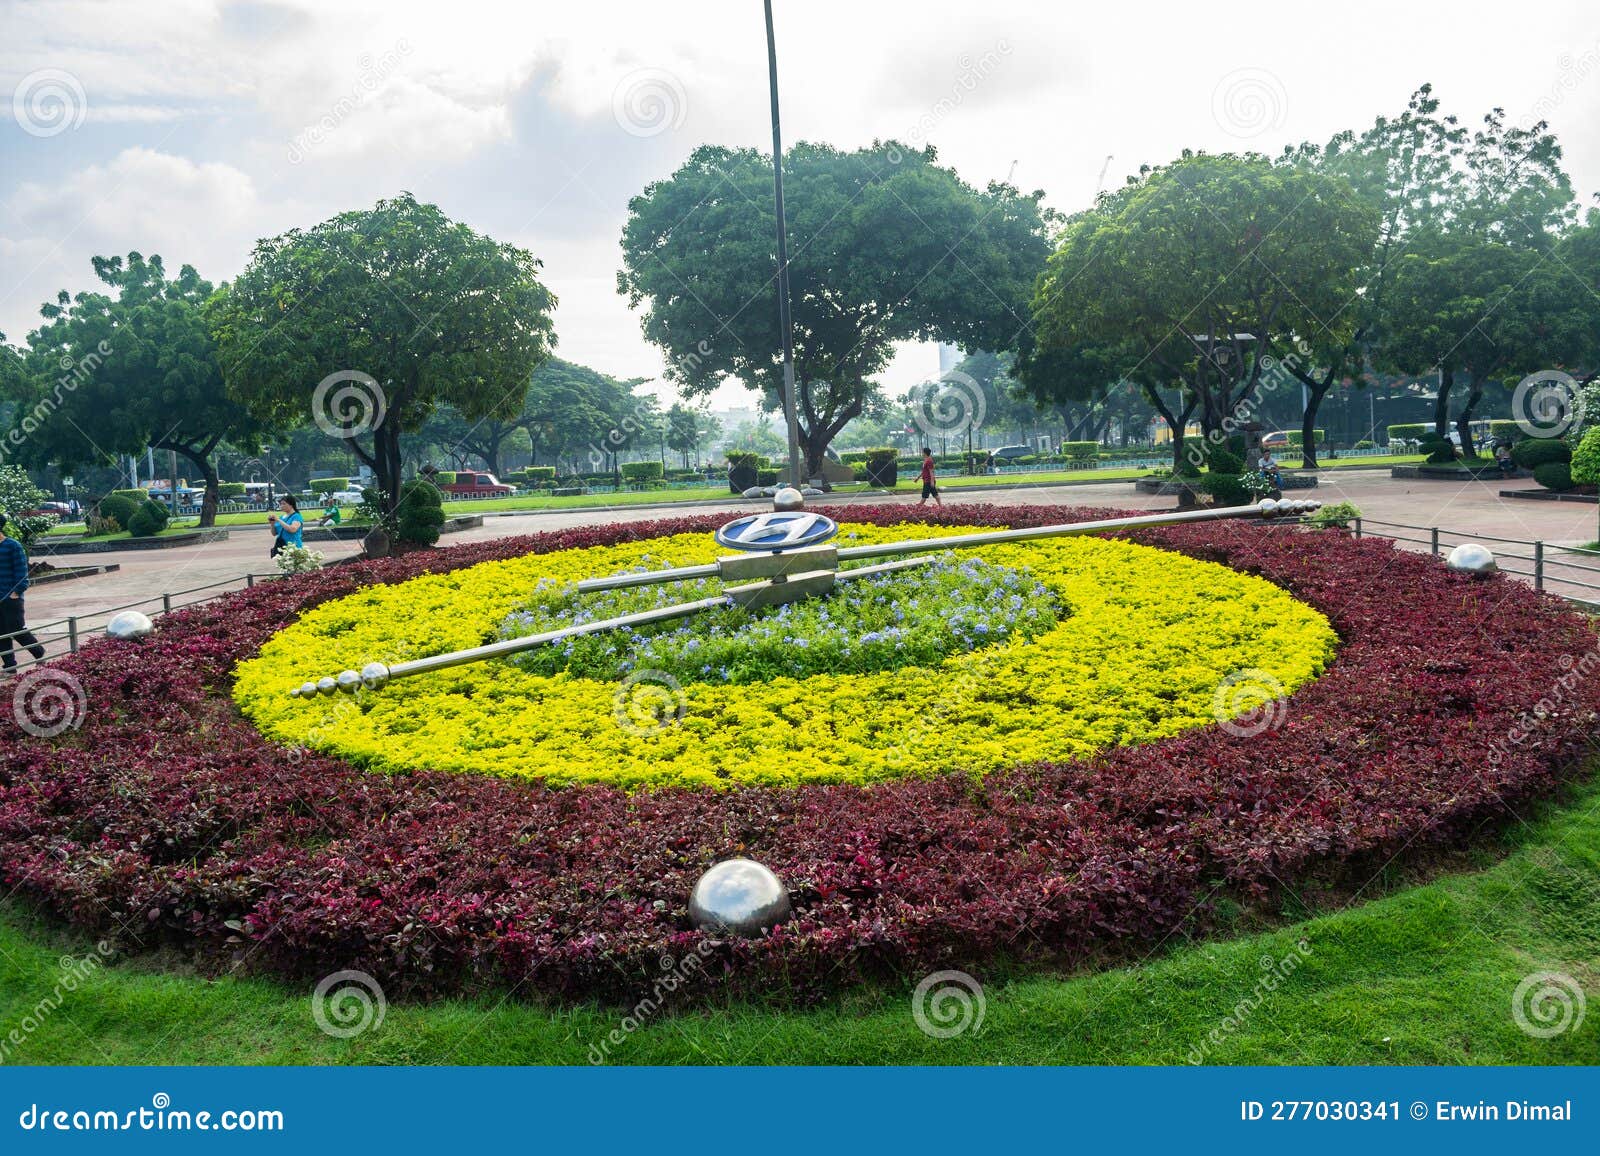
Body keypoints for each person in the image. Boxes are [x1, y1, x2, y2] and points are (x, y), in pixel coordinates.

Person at [0, 514, 47, 672]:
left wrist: (16, 593)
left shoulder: (13, 545)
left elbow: (22, 573)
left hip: (11, 598)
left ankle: (39, 653)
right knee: (1, 633)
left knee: (16, 629)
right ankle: (10, 666)